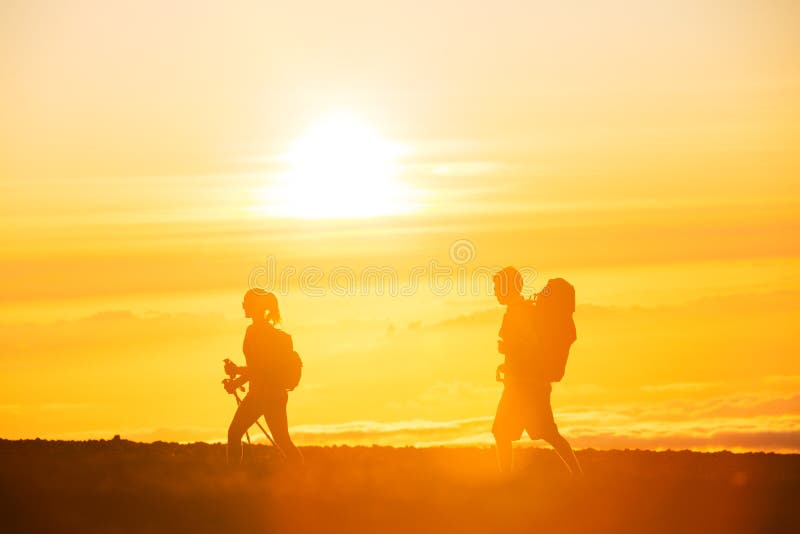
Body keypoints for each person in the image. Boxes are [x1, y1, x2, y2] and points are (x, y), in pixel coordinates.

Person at [491, 266, 582, 476]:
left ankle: (506, 482)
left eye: (497, 287)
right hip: (525, 384)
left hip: (525, 387)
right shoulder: (521, 310)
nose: (495, 292)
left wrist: (508, 349)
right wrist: (507, 362)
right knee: (545, 433)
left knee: (506, 432)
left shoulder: (518, 312)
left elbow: (529, 346)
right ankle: (578, 475)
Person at [224, 289, 303, 466]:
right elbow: (259, 367)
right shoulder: (268, 332)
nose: (243, 306)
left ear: (255, 306)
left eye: (246, 303)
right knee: (283, 440)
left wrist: (235, 381)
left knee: (234, 433)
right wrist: (237, 370)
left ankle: (234, 478)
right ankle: (301, 474)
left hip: (261, 394)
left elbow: (258, 369)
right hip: (277, 394)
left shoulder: (254, 332)